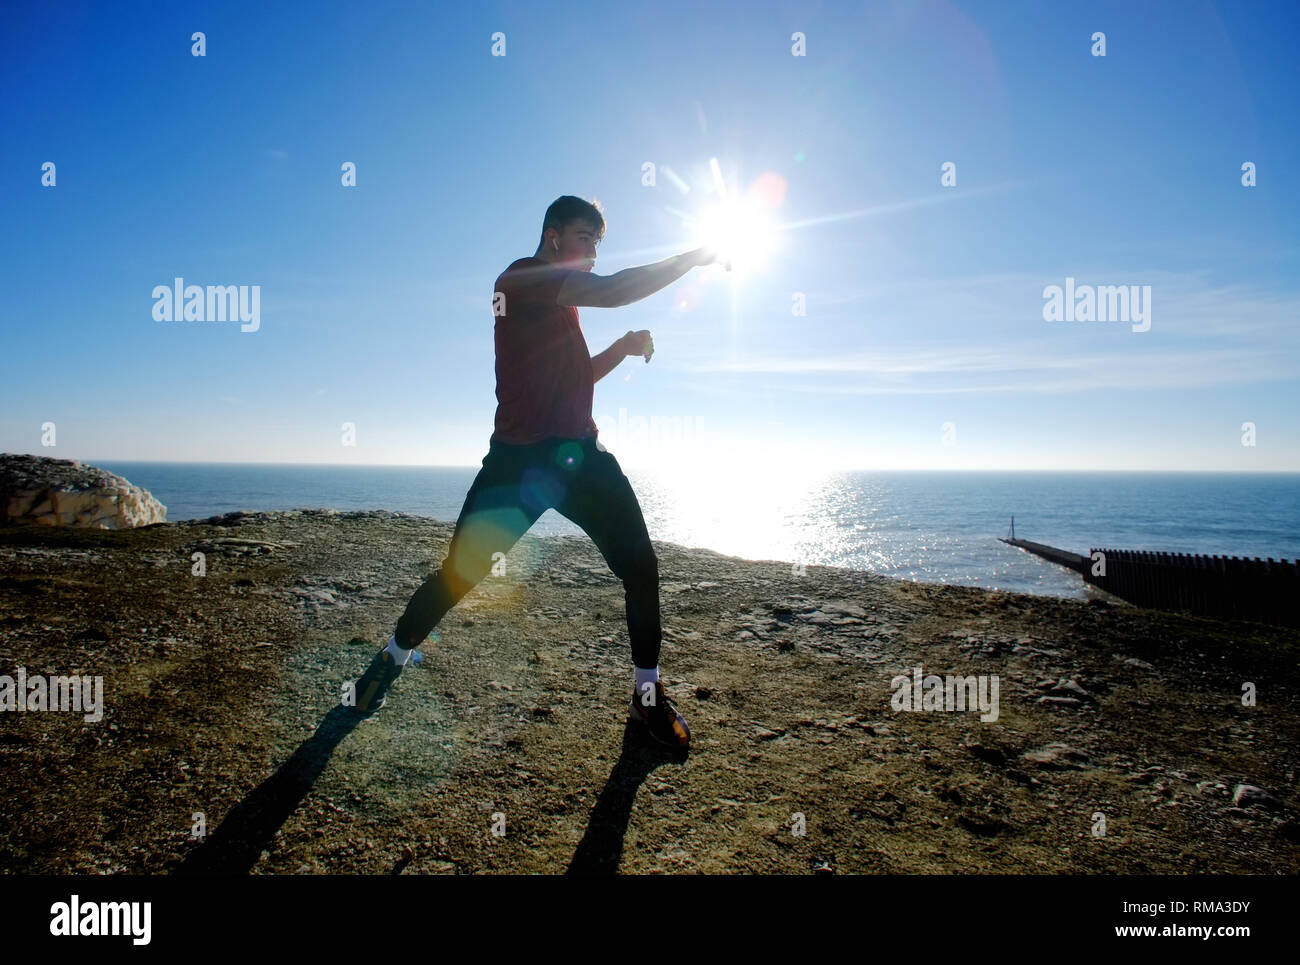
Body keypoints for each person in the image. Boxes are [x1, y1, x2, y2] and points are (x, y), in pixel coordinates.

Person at [349, 195, 725, 748]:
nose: (594, 252)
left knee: (641, 569)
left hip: (578, 459)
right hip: (518, 463)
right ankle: (393, 657)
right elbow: (616, 291)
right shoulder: (522, 279)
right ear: (553, 237)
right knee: (460, 577)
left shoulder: (560, 301)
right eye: (585, 239)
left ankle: (646, 701)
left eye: (599, 243)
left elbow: (577, 380)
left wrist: (620, 348)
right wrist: (690, 259)